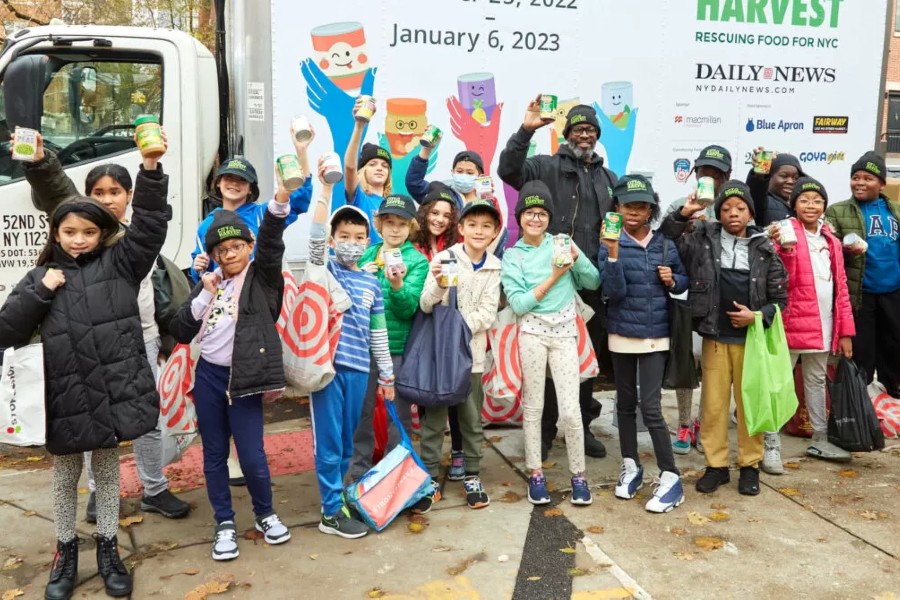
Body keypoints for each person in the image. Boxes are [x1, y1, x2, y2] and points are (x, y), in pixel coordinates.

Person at [0, 146, 170, 599]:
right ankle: (65, 553)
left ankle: (109, 549)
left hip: (109, 393)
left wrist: (150, 168)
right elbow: (7, 330)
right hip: (65, 398)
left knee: (108, 474)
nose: (78, 239)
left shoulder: (122, 265)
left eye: (88, 232)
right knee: (64, 477)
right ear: (56, 233)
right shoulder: (42, 276)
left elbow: (150, 226)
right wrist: (40, 290)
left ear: (103, 233)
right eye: (69, 231)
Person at [20, 133, 190, 524]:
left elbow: (151, 221)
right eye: (98, 192)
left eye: (115, 192)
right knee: (90, 421)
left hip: (141, 338)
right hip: (91, 343)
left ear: (129, 196)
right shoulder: (85, 232)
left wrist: (151, 165)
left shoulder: (133, 238)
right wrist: (40, 161)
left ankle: (154, 488)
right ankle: (99, 492)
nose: (107, 199)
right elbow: (57, 191)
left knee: (147, 419)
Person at [169, 170, 295, 561]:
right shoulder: (209, 283)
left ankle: (265, 514)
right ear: (213, 255)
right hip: (209, 377)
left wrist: (279, 201)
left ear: (249, 246)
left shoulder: (262, 279)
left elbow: (271, 243)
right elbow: (180, 328)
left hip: (245, 380)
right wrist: (204, 293)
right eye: (222, 250)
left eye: (237, 246)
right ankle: (224, 522)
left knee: (252, 455)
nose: (230, 255)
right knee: (213, 455)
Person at [498, 97, 617, 461]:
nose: (585, 135)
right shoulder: (545, 167)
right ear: (567, 134)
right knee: (545, 365)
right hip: (550, 282)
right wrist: (526, 130)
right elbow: (508, 169)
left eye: (591, 130)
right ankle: (545, 431)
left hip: (589, 281)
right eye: (578, 129)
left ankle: (582, 425)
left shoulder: (608, 179)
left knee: (584, 362)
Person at [661, 181, 788, 497]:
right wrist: (684, 214)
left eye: (740, 208)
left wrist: (755, 317)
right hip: (715, 339)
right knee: (714, 407)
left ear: (750, 213)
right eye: (727, 208)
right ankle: (716, 466)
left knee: (749, 406)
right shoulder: (701, 240)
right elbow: (667, 239)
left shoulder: (765, 248)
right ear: (718, 213)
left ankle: (749, 466)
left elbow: (779, 299)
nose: (733, 213)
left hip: (752, 343)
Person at [308, 161, 395, 539]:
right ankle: (330, 512)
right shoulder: (322, 268)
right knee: (329, 442)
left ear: (368, 241)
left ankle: (338, 498)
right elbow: (315, 235)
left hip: (360, 372)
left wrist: (387, 376)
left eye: (360, 237)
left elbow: (379, 335)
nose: (352, 242)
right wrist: (326, 190)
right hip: (328, 370)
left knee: (346, 441)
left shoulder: (372, 283)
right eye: (344, 235)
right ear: (332, 240)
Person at [501, 181, 601, 506]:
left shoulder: (561, 243)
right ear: (520, 216)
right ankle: (536, 475)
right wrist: (555, 277)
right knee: (534, 407)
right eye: (529, 212)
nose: (535, 219)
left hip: (565, 331)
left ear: (549, 218)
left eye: (542, 213)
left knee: (571, 411)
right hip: (531, 331)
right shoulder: (513, 255)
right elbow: (518, 304)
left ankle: (579, 476)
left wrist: (576, 257)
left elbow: (593, 281)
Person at [598, 175, 689, 513]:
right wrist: (612, 254)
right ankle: (630, 465)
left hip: (656, 335)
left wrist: (673, 279)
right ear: (617, 208)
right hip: (621, 333)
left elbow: (683, 281)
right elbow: (614, 292)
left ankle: (670, 476)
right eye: (627, 206)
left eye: (641, 206)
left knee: (650, 407)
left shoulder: (664, 243)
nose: (634, 212)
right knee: (624, 404)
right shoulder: (609, 241)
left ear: (651, 210)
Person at [418, 198, 503, 510]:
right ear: (461, 228)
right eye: (473, 225)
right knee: (434, 421)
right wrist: (440, 284)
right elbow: (426, 304)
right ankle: (429, 479)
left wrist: (457, 326)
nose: (479, 231)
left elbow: (488, 314)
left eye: (486, 226)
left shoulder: (494, 266)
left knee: (471, 420)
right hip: (440, 356)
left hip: (472, 357)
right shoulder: (445, 257)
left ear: (494, 233)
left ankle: (472, 475)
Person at [770, 177, 854, 461]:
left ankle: (820, 437)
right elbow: (782, 279)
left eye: (817, 201)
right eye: (804, 200)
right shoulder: (783, 232)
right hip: (791, 323)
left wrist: (845, 331)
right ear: (793, 205)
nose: (810, 205)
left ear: (824, 206)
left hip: (823, 324)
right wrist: (784, 248)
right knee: (779, 382)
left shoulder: (830, 239)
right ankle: (770, 441)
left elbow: (841, 287)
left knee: (817, 380)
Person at [349, 194, 429, 482]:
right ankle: (358, 472)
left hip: (397, 349)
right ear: (379, 225)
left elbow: (408, 309)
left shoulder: (417, 261)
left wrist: (397, 286)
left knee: (398, 415)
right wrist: (360, 275)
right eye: (389, 222)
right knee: (360, 413)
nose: (395, 229)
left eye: (402, 224)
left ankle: (394, 475)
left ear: (411, 227)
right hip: (361, 347)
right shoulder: (367, 254)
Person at [664, 145, 733, 456]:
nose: (710, 178)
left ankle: (705, 422)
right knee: (686, 361)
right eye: (704, 172)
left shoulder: (733, 207)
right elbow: (664, 243)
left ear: (727, 176)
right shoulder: (681, 205)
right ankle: (683, 422)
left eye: (716, 174)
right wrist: (684, 220)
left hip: (720, 298)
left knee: (714, 366)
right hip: (685, 294)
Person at [190, 126, 314, 282]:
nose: (234, 183)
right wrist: (197, 268)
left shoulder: (262, 214)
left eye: (242, 180)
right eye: (229, 178)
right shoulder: (206, 224)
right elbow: (201, 274)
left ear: (250, 189)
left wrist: (301, 151)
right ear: (218, 183)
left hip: (258, 291)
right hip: (223, 295)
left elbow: (299, 200)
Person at [825, 152, 900, 398]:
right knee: (862, 354)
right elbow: (826, 250)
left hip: (894, 293)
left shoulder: (896, 210)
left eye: (868, 178)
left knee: (893, 350)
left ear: (882, 184)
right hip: (860, 294)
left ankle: (892, 400)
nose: (860, 183)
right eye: (855, 177)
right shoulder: (837, 211)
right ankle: (862, 403)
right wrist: (844, 249)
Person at [406, 146, 508, 255]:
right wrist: (426, 150)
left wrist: (489, 198)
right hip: (446, 258)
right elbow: (414, 183)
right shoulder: (442, 193)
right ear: (452, 172)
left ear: (480, 176)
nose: (464, 176)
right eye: (459, 171)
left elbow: (497, 231)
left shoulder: (488, 201)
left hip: (478, 257)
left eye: (470, 173)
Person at [345, 98, 392, 244]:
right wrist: (359, 125)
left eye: (385, 166)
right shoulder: (360, 197)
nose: (379, 168)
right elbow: (350, 167)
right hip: (364, 258)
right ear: (363, 170)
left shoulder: (393, 204)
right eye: (372, 164)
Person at [746, 149, 804, 227]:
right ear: (770, 176)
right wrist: (760, 174)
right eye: (784, 176)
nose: (790, 181)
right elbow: (756, 191)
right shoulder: (763, 201)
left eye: (795, 178)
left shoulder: (802, 203)